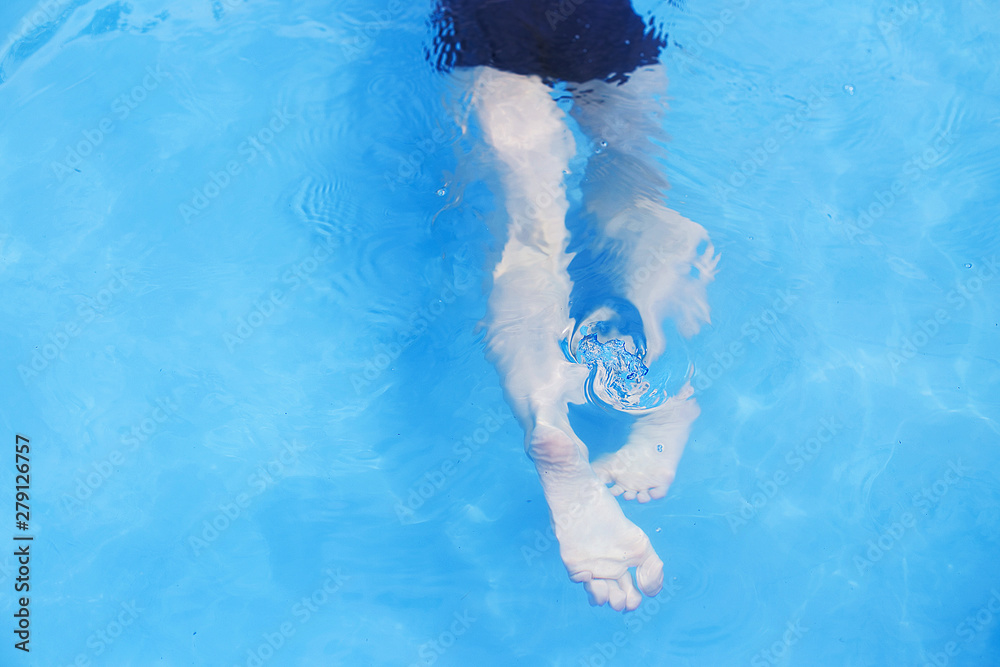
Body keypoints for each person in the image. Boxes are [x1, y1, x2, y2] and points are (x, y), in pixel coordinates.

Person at [429, 0, 718, 611]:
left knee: (530, 235)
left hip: (491, 26)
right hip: (604, 21)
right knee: (633, 189)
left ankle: (548, 417)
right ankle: (663, 400)